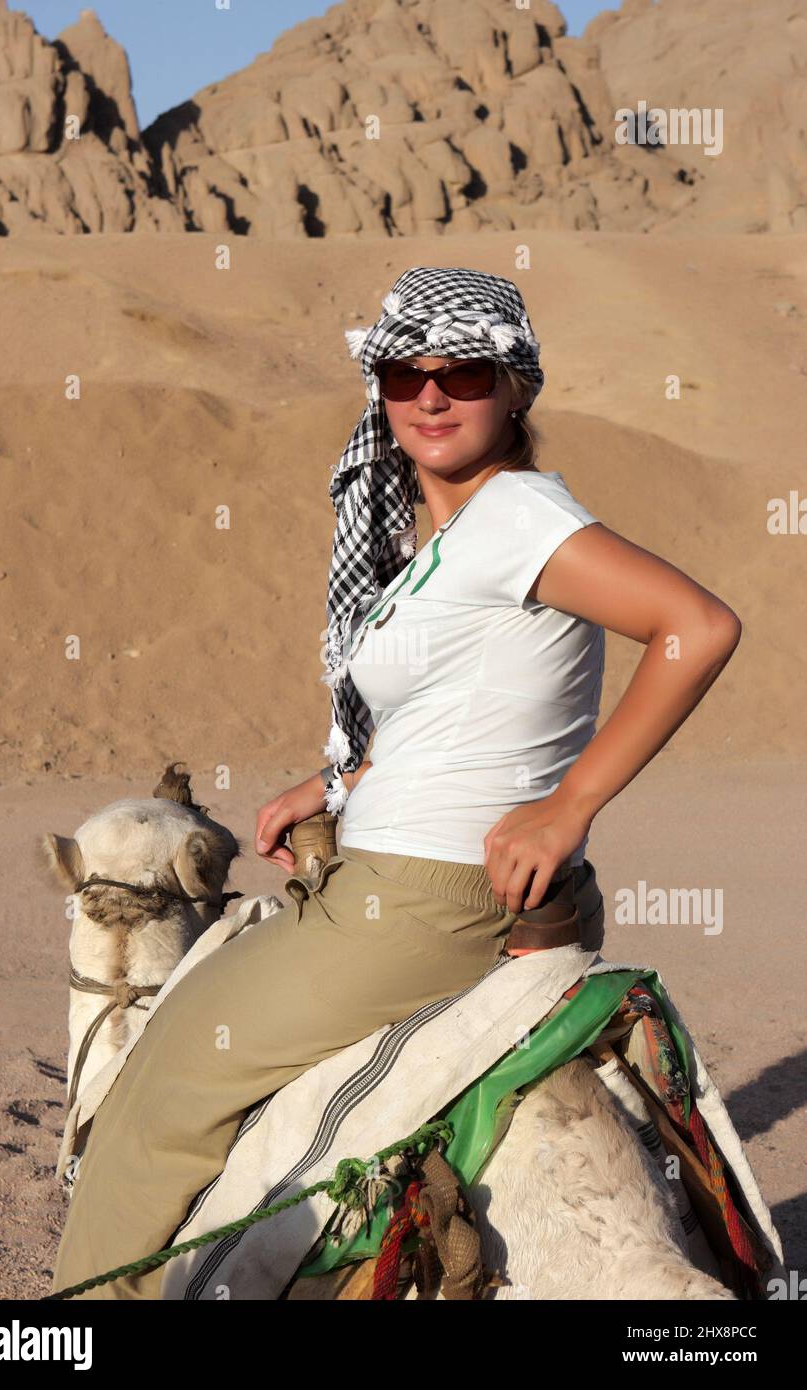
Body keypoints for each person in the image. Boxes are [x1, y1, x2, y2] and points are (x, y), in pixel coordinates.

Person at [52, 265, 740, 1299]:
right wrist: (336, 786)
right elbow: (452, 704)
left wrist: (567, 806)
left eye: (460, 373)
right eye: (399, 374)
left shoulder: (513, 518)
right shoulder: (449, 536)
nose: (427, 396)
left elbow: (697, 626)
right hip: (394, 862)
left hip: (422, 898)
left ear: (514, 387)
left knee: (168, 1077)